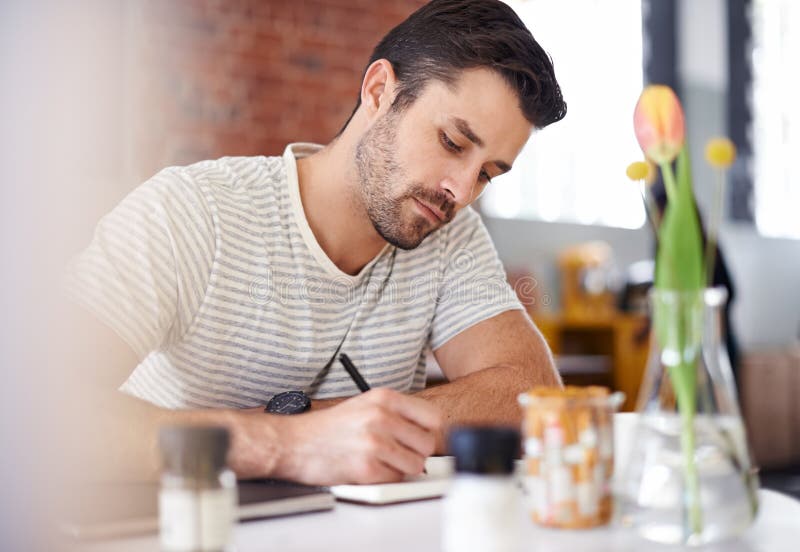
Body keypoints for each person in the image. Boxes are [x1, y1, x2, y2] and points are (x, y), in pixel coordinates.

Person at [62, 0, 566, 486]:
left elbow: (533, 397)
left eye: (488, 175)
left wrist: (332, 425)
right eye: (452, 143)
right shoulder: (191, 212)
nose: (462, 190)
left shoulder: (448, 235)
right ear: (378, 91)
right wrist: (287, 442)